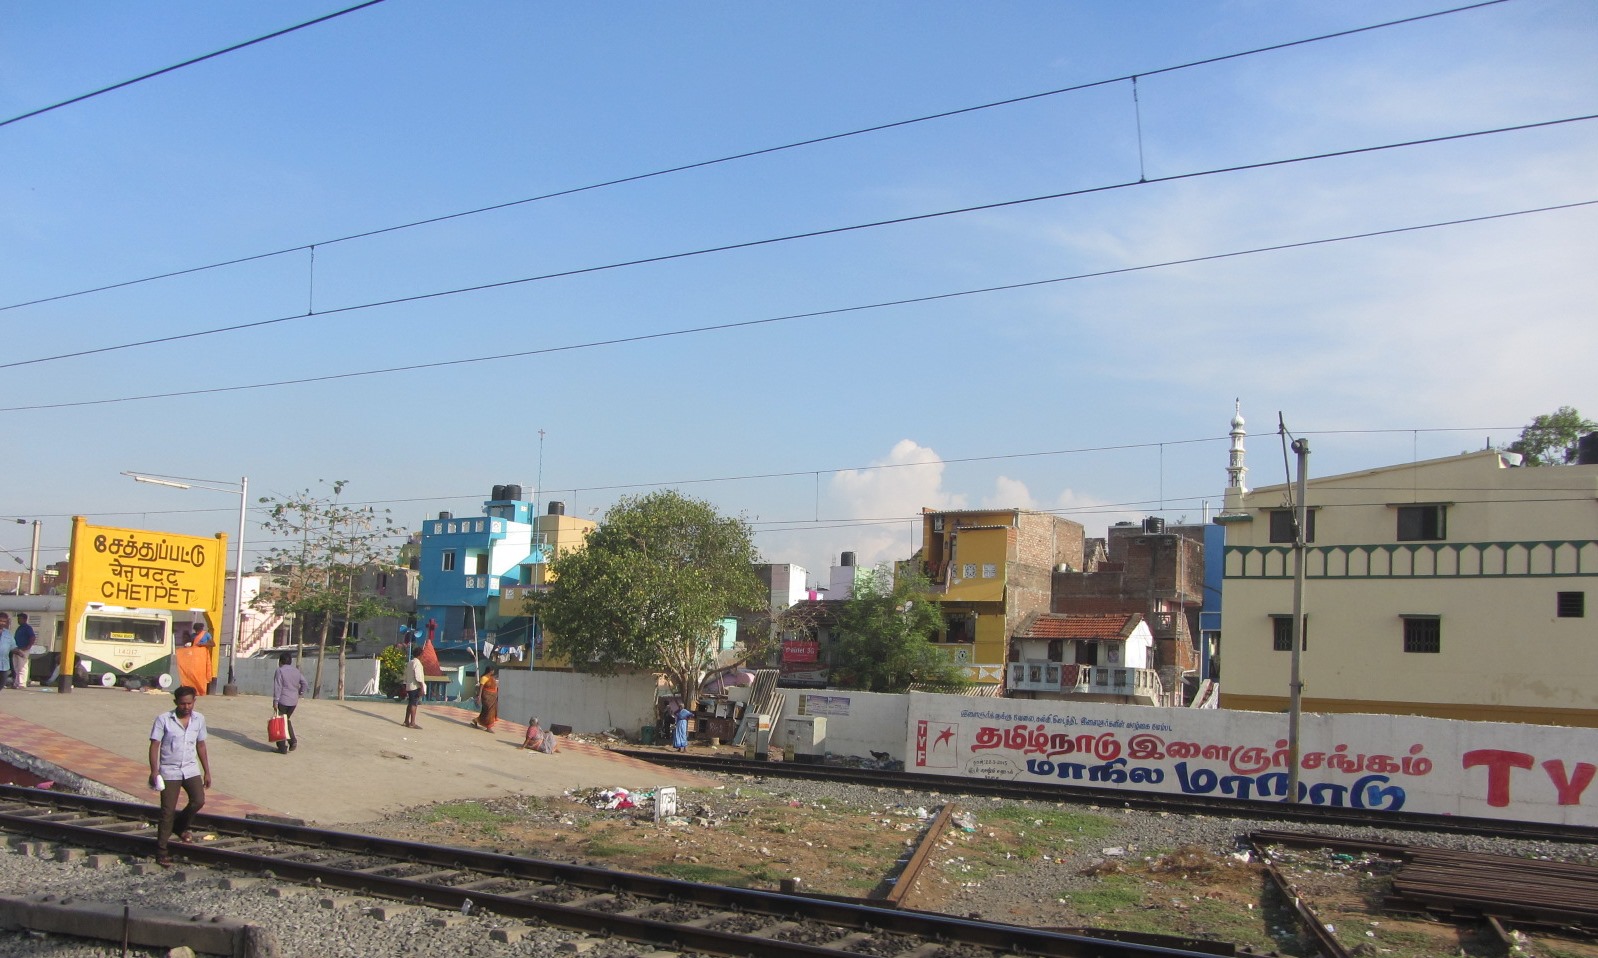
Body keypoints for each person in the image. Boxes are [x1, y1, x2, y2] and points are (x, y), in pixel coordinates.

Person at [148, 686, 210, 867]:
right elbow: (154, 745)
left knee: (198, 800)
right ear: (176, 702)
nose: (186, 707)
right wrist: (154, 771)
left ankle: (179, 826)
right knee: (167, 811)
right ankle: (161, 851)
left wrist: (207, 771)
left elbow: (201, 745)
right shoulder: (163, 720)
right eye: (183, 704)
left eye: (190, 703)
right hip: (170, 771)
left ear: (194, 702)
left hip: (190, 769)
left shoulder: (199, 719)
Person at [272, 652, 309, 754]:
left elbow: (278, 687)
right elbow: (304, 683)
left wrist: (275, 701)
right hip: (293, 701)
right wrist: (300, 692)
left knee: (280, 722)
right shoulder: (296, 671)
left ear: (280, 661)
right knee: (286, 720)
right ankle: (292, 742)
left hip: (283, 700)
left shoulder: (280, 671)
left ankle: (282, 747)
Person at [401, 647, 425, 729]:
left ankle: (406, 721)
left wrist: (405, 684)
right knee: (414, 704)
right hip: (415, 686)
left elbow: (405, 674)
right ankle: (412, 722)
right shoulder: (417, 663)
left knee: (410, 703)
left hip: (409, 685)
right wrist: (422, 687)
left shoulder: (410, 662)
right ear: (420, 655)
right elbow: (418, 676)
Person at [469, 667, 498, 732]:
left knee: (487, 711)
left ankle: (476, 720)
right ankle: (488, 727)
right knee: (488, 710)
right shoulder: (484, 678)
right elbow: (481, 688)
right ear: (490, 671)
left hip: (493, 697)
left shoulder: (492, 678)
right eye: (493, 670)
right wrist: (479, 697)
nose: (493, 672)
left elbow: (495, 687)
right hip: (486, 697)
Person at [11, 613, 34, 688]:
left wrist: (28, 646)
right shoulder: (19, 628)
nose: (18, 620)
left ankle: (22, 683)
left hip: (23, 649)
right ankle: (17, 682)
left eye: (20, 619)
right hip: (17, 649)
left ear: (25, 619)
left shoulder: (28, 628)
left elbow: (32, 637)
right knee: (16, 667)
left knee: (22, 666)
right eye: (18, 619)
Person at [0, 613, 12, 691]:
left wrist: (19, 652)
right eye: (0, 621)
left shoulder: (7, 633)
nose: (2, 623)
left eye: (4, 621)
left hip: (4, 664)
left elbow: (13, 645)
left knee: (2, 683)